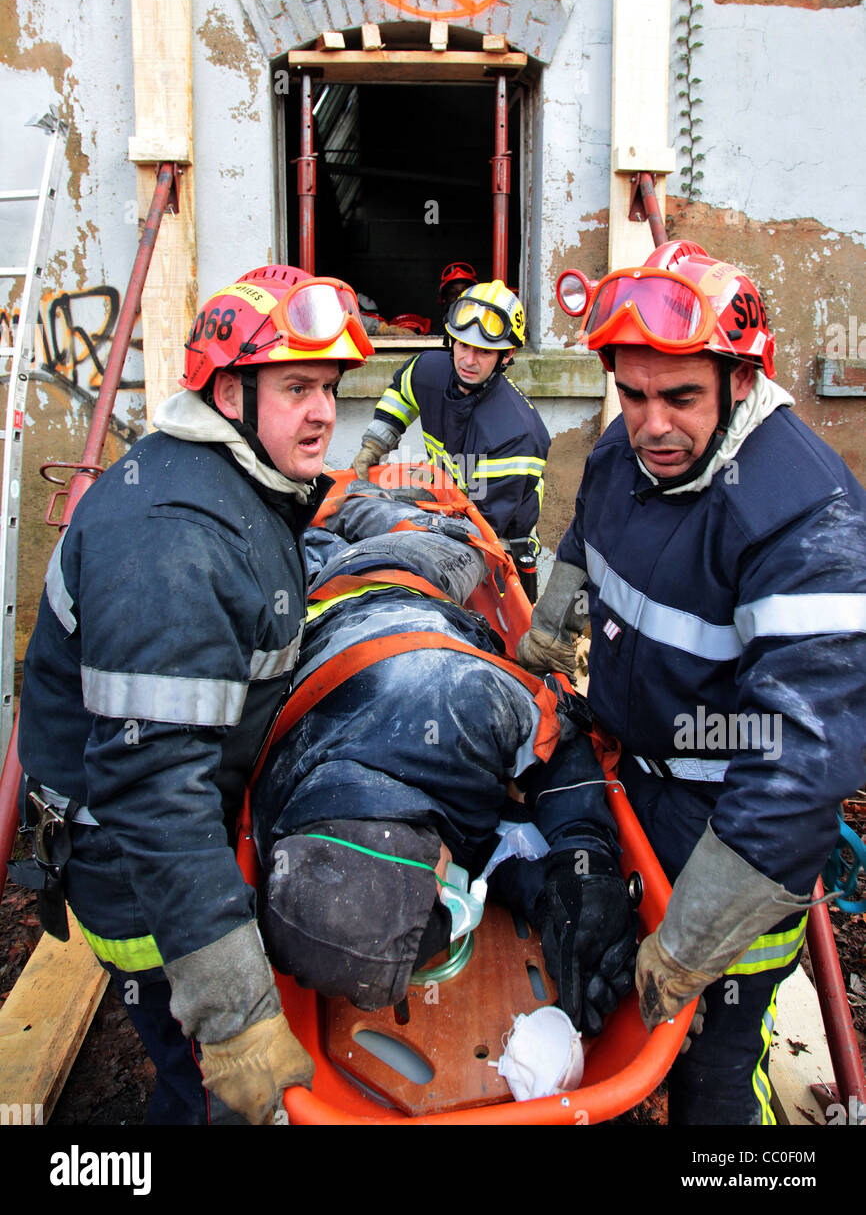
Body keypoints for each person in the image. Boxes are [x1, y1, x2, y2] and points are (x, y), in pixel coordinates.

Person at [11, 264, 374, 1125]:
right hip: (138, 875)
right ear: (228, 389)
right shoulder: (175, 540)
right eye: (296, 387)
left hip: (164, 844)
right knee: (214, 1095)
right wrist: (236, 1018)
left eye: (328, 386)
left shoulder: (229, 481)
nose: (322, 410)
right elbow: (154, 791)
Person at [517, 239, 866, 1125]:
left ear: (740, 382)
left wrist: (692, 941)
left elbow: (796, 767)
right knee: (638, 1030)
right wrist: (551, 622)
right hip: (641, 787)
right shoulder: (619, 458)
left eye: (680, 397)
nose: (652, 424)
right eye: (631, 395)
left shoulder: (800, 519)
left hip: (737, 840)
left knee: (715, 1073)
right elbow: (585, 534)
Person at [250, 483, 637, 1038]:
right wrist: (551, 896)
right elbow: (482, 856)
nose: (456, 890)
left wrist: (586, 853)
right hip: (316, 603)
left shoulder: (468, 702)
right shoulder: (282, 827)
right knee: (311, 545)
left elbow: (561, 735)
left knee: (457, 544)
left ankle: (349, 499)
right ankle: (325, 522)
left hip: (406, 577)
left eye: (441, 896)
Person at [352, 281, 551, 600]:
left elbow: (481, 527)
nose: (468, 361)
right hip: (446, 500)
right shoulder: (428, 370)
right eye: (462, 346)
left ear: (506, 355)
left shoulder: (517, 433)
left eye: (484, 351)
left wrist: (414, 506)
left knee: (499, 638)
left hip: (501, 546)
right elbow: (402, 394)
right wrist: (373, 447)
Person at [437, 260, 478, 325]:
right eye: (453, 293)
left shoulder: (488, 327)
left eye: (465, 292)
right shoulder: (437, 333)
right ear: (443, 299)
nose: (460, 298)